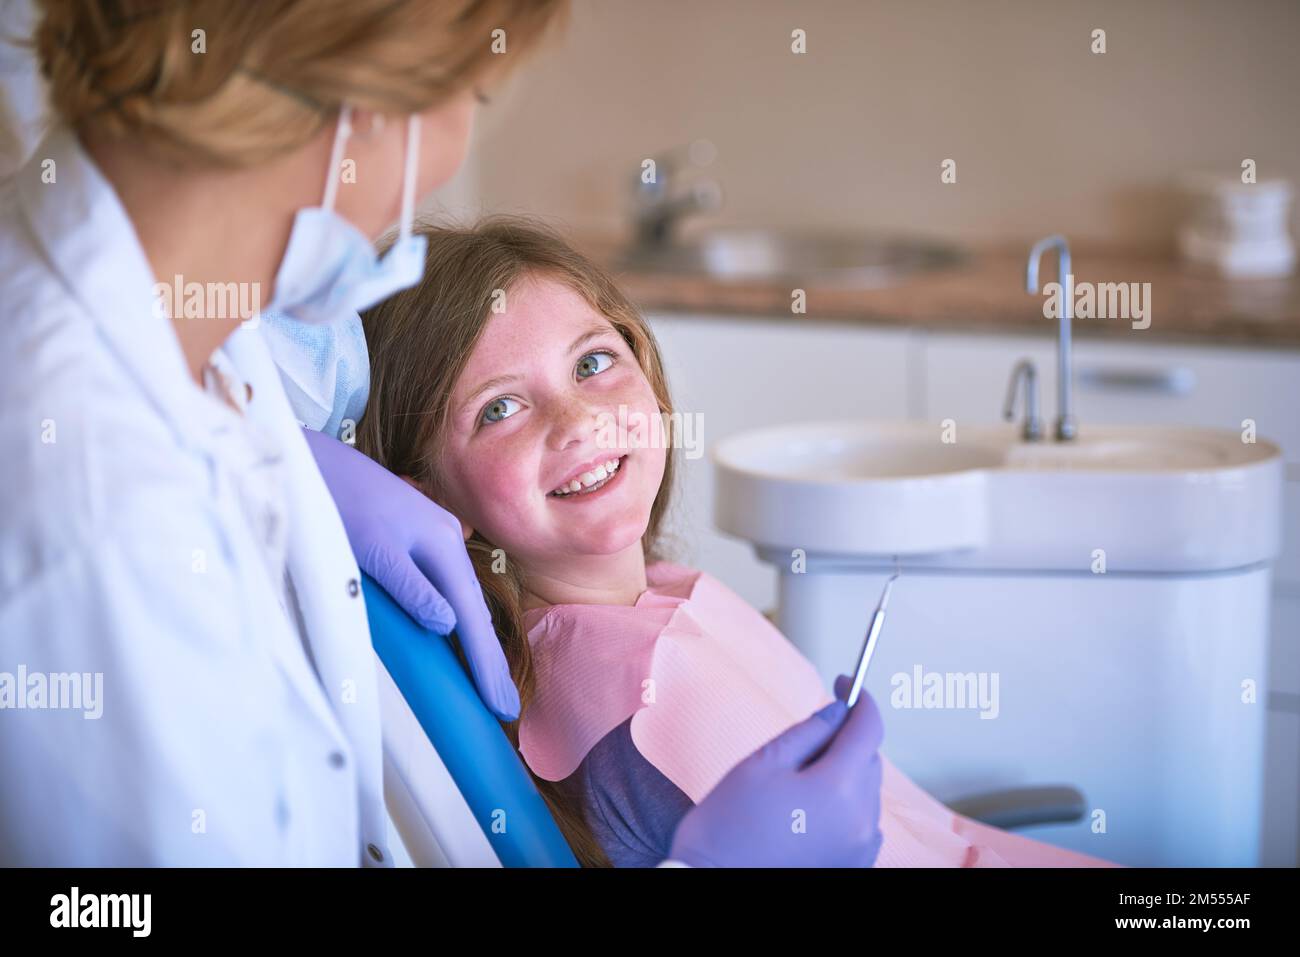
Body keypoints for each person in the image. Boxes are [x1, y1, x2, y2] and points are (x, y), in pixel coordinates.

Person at [0, 0, 885, 867]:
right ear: (368, 92)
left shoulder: (188, 333)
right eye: (476, 89)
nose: (453, 143)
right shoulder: (97, 513)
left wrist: (306, 461)